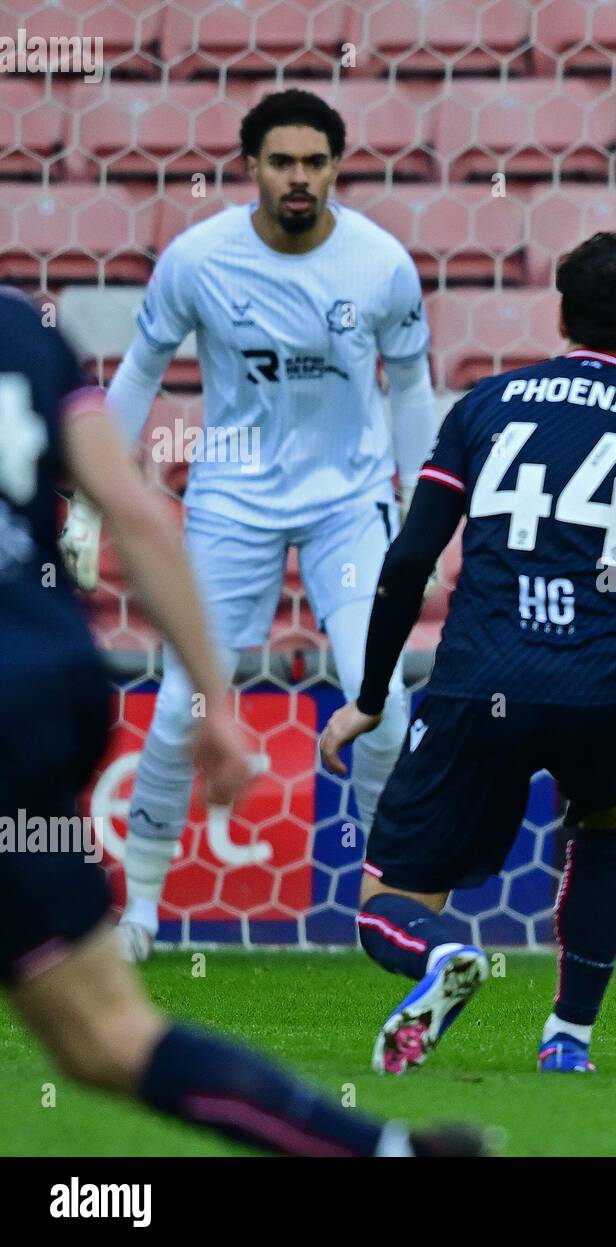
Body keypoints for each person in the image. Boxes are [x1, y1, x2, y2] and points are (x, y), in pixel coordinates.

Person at [0, 289, 480, 1156]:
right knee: (104, 1035)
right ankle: (387, 1150)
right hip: (40, 687)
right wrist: (217, 702)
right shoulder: (18, 331)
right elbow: (137, 509)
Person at [320, 232, 616, 1074]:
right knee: (606, 826)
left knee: (388, 901)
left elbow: (411, 558)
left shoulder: (484, 406)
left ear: (560, 312)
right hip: (599, 684)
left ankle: (438, 957)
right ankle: (569, 1038)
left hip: (479, 676)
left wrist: (374, 693)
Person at [58, 88, 436, 961]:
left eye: (314, 162)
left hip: (350, 503)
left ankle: (386, 902)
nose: (298, 178)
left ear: (336, 167)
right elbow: (139, 375)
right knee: (184, 704)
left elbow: (413, 386)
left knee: (379, 699)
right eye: (281, 161)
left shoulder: (380, 264)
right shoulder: (199, 259)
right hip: (231, 502)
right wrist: (89, 496)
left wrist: (425, 497)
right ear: (253, 166)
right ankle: (141, 911)